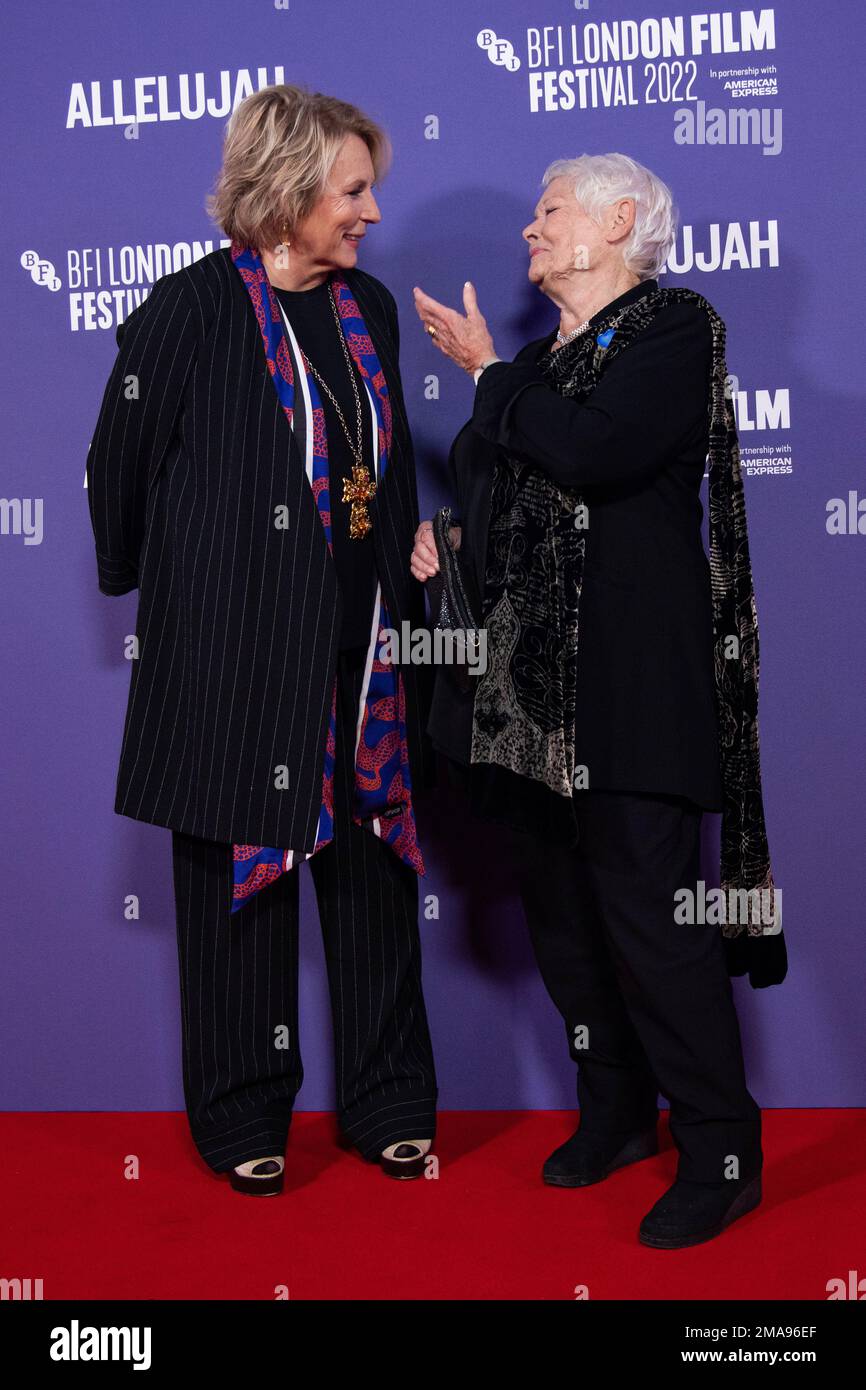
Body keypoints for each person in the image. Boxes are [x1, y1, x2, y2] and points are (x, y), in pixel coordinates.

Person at [410, 152, 786, 1248]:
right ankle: (616, 1113)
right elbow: (497, 487)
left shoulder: (673, 328)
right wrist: (448, 539)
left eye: (548, 211)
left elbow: (597, 451)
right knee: (566, 924)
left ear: (619, 221)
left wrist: (487, 375)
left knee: (654, 924)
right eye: (528, 213)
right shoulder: (535, 364)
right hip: (525, 709)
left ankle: (721, 1146)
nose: (529, 232)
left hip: (629, 695)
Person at [86, 84, 437, 1196]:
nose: (371, 212)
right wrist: (197, 593)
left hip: (359, 653)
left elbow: (383, 466)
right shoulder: (186, 312)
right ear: (285, 195)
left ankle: (388, 1103)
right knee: (239, 893)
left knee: (374, 879)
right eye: (352, 189)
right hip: (236, 660)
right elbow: (117, 478)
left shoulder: (365, 310)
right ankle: (242, 1113)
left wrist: (403, 567)